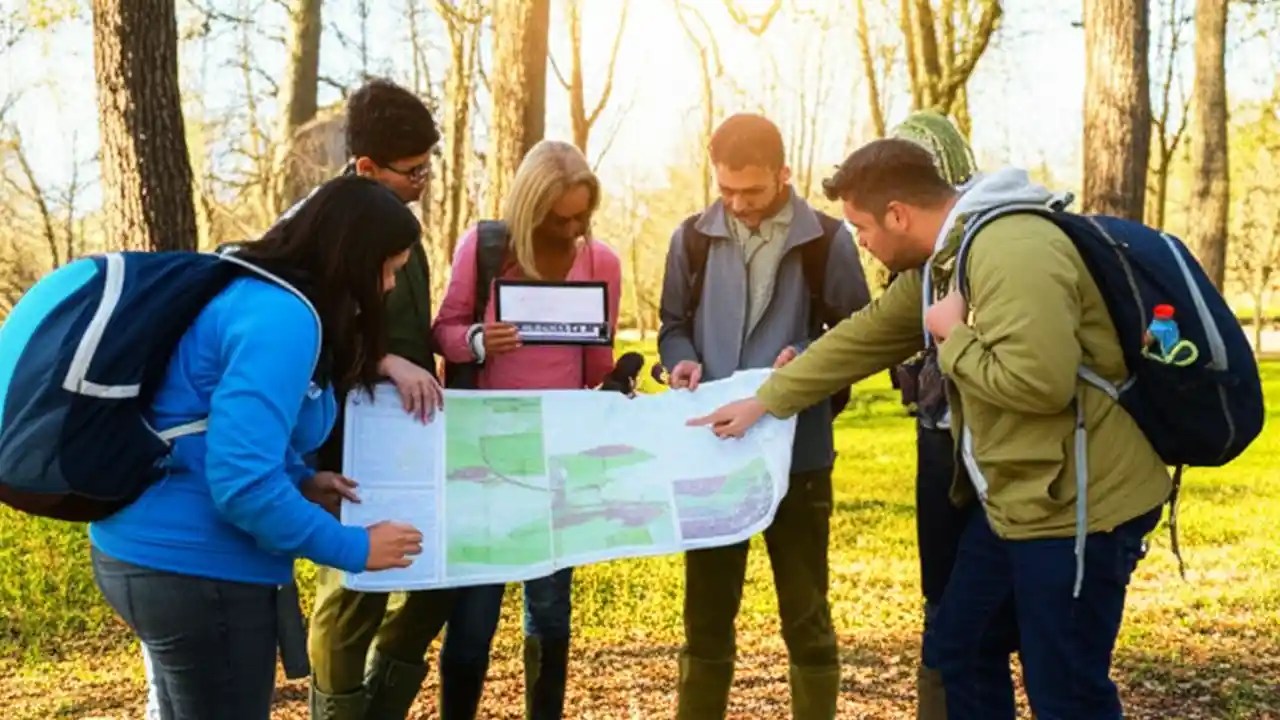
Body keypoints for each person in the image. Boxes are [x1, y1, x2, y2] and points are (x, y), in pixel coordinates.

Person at [688, 138, 1171, 719]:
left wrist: (952, 338)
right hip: (1018, 501)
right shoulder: (948, 259)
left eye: (863, 229)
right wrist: (765, 401)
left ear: (899, 215)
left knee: (1065, 689)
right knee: (959, 650)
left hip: (1081, 506)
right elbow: (864, 335)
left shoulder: (1010, 248)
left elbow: (1040, 384)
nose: (860, 244)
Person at [89, 175, 427, 720]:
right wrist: (356, 549)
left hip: (147, 552)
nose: (388, 286)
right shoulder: (283, 319)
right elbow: (243, 485)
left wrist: (299, 478)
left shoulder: (256, 295)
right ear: (351, 258)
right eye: (387, 268)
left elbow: (216, 427)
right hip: (200, 572)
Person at [657, 113, 869, 720]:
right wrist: (682, 360)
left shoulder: (828, 239)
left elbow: (857, 335)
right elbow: (673, 325)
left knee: (806, 614)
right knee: (706, 619)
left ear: (783, 175)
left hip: (797, 458)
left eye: (751, 191)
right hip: (713, 454)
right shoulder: (690, 238)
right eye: (726, 190)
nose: (738, 204)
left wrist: (803, 358)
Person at [431, 139, 623, 720]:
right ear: (528, 206)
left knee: (550, 606)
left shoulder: (601, 262)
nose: (569, 230)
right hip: (485, 451)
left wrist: (617, 372)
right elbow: (444, 329)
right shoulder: (485, 248)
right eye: (556, 217)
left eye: (579, 217)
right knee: (474, 610)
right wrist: (479, 341)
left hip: (557, 451)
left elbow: (596, 367)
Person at [304, 77, 457, 720]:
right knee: (354, 592)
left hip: (411, 430)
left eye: (429, 167)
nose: (424, 181)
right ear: (366, 167)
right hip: (346, 435)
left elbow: (410, 324)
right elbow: (311, 343)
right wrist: (383, 361)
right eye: (413, 172)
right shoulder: (321, 229)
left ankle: (379, 706)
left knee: (434, 579)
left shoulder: (406, 229)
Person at [885, 110, 1020, 719]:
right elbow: (871, 330)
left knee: (993, 630)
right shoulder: (919, 264)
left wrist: (954, 339)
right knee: (948, 619)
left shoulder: (991, 243)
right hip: (940, 451)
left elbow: (1030, 377)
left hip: (1006, 462)